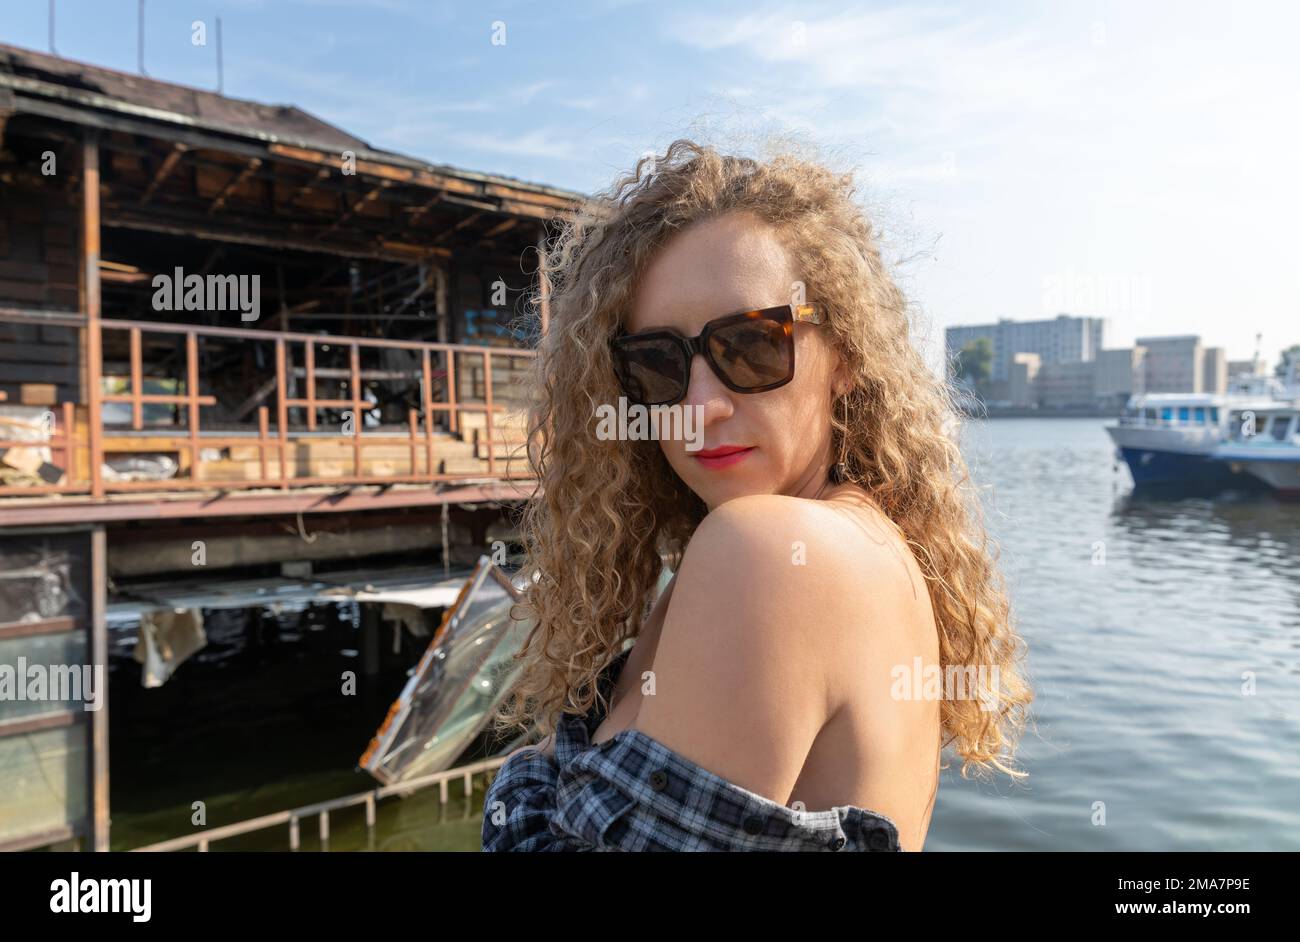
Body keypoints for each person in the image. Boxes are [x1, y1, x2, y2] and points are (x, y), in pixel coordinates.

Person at [481, 138, 1032, 852]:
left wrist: (521, 780)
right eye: (657, 363)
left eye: (751, 345)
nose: (700, 404)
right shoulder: (852, 538)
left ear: (846, 358)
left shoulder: (767, 554)